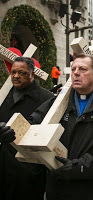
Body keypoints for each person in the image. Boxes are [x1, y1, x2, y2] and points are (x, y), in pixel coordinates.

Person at [14, 53, 93, 200]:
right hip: (57, 188)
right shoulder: (55, 104)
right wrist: (12, 132)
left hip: (92, 191)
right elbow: (32, 124)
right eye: (73, 69)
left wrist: (78, 167)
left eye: (82, 69)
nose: (76, 73)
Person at [0, 57, 54, 200]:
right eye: (14, 72)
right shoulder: (3, 95)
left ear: (32, 74)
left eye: (22, 73)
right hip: (4, 166)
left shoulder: (47, 98)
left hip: (30, 169)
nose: (16, 76)